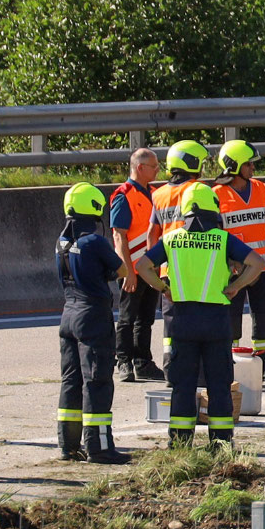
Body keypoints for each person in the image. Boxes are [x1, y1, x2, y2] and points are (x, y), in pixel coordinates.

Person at [136, 182, 263, 450]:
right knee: (219, 385)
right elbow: (257, 263)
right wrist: (236, 286)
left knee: (183, 385)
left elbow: (142, 265)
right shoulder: (222, 239)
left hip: (182, 320)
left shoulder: (172, 239)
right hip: (216, 320)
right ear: (213, 210)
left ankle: (180, 445)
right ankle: (221, 445)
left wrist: (163, 288)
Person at [56, 182, 131, 465]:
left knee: (71, 382)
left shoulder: (61, 242)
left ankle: (68, 445)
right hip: (93, 315)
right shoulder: (95, 242)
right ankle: (99, 447)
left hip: (68, 314)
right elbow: (122, 269)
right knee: (97, 381)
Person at [214, 139, 265, 379]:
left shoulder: (260, 188)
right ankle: (229, 362)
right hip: (232, 269)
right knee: (230, 316)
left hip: (262, 266)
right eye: (248, 164)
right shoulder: (216, 195)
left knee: (264, 314)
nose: (253, 168)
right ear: (233, 166)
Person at [108, 148, 164, 382]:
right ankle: (123, 361)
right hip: (132, 267)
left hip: (149, 267)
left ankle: (143, 361)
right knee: (127, 316)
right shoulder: (124, 195)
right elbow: (119, 236)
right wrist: (128, 271)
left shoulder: (155, 193)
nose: (158, 169)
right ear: (140, 168)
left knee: (146, 317)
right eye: (154, 166)